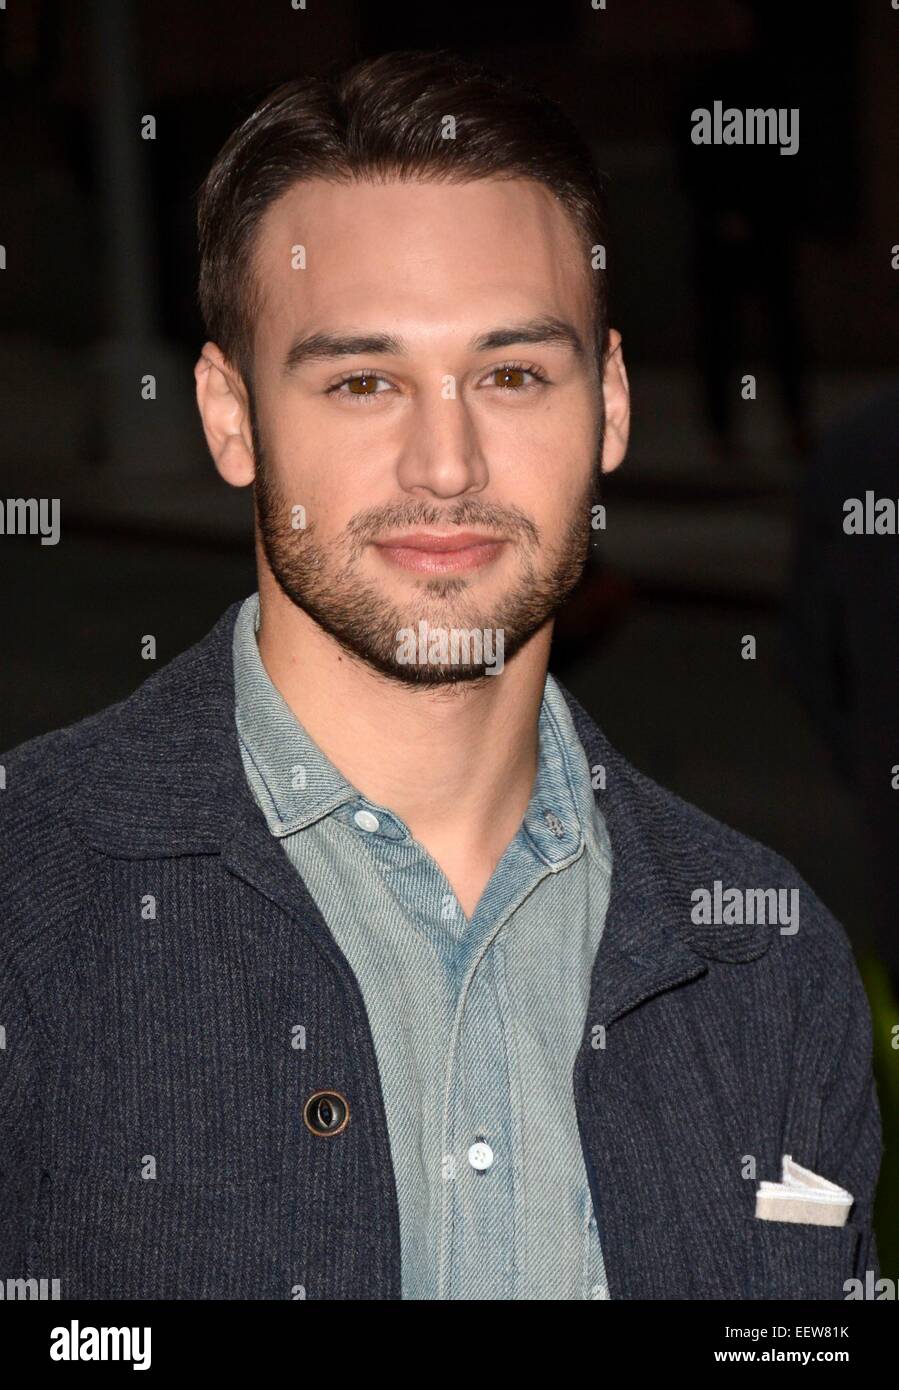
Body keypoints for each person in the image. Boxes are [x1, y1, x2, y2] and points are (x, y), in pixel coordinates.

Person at [0, 49, 882, 1300]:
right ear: (229, 415)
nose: (447, 463)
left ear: (610, 402)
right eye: (363, 381)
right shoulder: (25, 910)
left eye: (512, 373)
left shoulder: (768, 959)